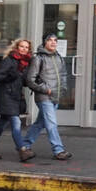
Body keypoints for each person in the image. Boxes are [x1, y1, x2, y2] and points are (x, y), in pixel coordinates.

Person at [0, 38, 33, 160]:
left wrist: (30, 82)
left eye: (26, 47)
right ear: (16, 47)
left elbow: (22, 81)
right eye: (22, 46)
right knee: (16, 123)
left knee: (1, 125)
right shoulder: (9, 60)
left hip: (15, 97)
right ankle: (22, 150)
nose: (24, 49)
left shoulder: (26, 63)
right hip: (6, 96)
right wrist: (11, 75)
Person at [24, 33, 72, 161]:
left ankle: (24, 145)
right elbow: (30, 80)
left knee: (40, 123)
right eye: (50, 40)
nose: (53, 43)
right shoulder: (38, 58)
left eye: (55, 40)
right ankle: (58, 150)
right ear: (44, 42)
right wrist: (46, 90)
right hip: (44, 97)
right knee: (51, 124)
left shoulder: (59, 57)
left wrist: (63, 89)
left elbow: (63, 75)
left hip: (55, 96)